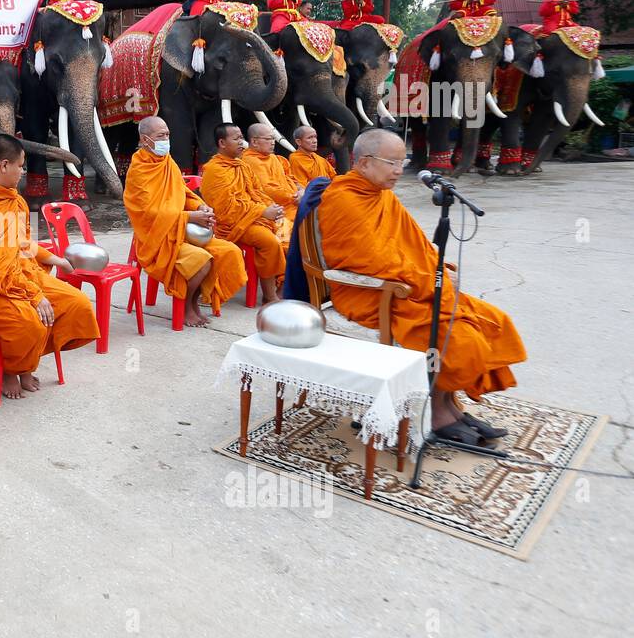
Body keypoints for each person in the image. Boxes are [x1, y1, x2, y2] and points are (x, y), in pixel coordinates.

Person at [316, 129, 526, 442]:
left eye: (402, 162)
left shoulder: (381, 195)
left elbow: (414, 243)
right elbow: (368, 261)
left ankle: (447, 405)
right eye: (392, 163)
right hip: (372, 293)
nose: (399, 171)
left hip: (408, 285)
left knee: (490, 319)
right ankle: (439, 415)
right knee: (460, 337)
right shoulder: (343, 198)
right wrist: (431, 280)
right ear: (363, 163)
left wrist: (439, 269)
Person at [0, 134, 100, 398]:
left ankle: (27, 358)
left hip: (17, 273)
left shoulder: (11, 199)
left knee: (76, 305)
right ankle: (10, 368)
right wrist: (34, 295)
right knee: (30, 323)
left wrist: (54, 259)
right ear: (4, 165)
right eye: (21, 165)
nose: (23, 172)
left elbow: (21, 243)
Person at [124, 117, 247, 327]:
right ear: (145, 140)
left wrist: (200, 206)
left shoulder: (167, 162)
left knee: (228, 251)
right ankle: (186, 306)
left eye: (167, 135)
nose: (166, 139)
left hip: (181, 231)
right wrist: (188, 217)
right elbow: (148, 213)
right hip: (157, 238)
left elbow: (182, 192)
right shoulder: (139, 169)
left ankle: (194, 301)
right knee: (201, 259)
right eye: (160, 136)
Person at [201, 123, 285, 303]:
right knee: (270, 243)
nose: (242, 142)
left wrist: (271, 207)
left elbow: (257, 191)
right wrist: (263, 211)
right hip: (230, 225)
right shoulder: (214, 170)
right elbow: (225, 209)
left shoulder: (242, 165)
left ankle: (283, 285)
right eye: (236, 138)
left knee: (290, 233)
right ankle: (269, 297)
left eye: (241, 137)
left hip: (252, 218)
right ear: (222, 143)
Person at [241, 121, 302, 247]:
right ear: (254, 142)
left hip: (294, 203)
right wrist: (295, 197)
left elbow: (291, 179)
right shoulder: (250, 161)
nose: (273, 142)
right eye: (269, 139)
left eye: (274, 138)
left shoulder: (274, 158)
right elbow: (267, 190)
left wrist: (302, 191)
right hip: (278, 209)